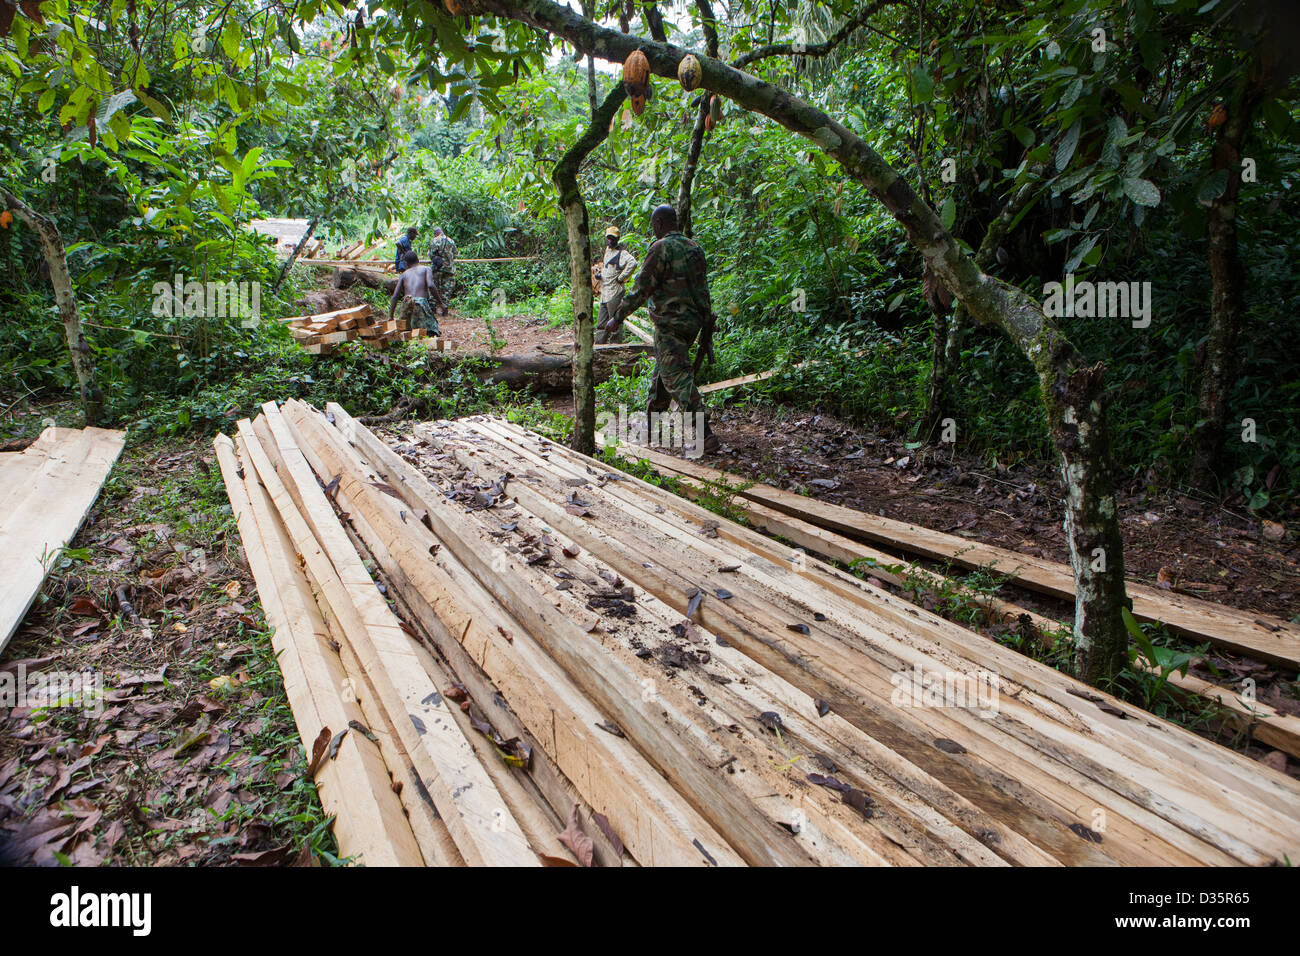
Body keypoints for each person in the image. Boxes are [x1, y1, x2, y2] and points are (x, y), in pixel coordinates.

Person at [602, 204, 720, 454]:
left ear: (659, 224)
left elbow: (641, 289)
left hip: (670, 324)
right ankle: (652, 424)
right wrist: (706, 320)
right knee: (662, 375)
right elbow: (703, 289)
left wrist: (617, 317)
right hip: (692, 324)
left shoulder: (660, 248)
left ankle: (705, 434)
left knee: (676, 377)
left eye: (653, 225)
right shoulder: (694, 248)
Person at [593, 226, 638, 345]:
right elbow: (608, 269)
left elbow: (633, 263)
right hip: (604, 291)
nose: (610, 241)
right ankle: (599, 345)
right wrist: (600, 275)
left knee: (615, 322)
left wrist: (621, 277)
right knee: (601, 323)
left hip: (614, 292)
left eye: (613, 239)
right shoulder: (608, 251)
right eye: (608, 238)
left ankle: (615, 348)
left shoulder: (622, 253)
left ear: (617, 239)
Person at [389, 251, 445, 335]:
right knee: (432, 332)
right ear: (418, 260)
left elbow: (395, 295)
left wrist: (390, 316)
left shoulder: (404, 275)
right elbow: (430, 285)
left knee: (407, 332)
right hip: (420, 304)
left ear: (406, 263)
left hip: (406, 305)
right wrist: (441, 303)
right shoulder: (426, 269)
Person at [427, 227, 457, 315]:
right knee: (446, 290)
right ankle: (445, 309)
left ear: (435, 234)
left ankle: (433, 308)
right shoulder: (451, 241)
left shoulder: (434, 241)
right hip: (449, 269)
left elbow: (431, 254)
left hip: (437, 269)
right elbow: (455, 254)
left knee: (434, 287)